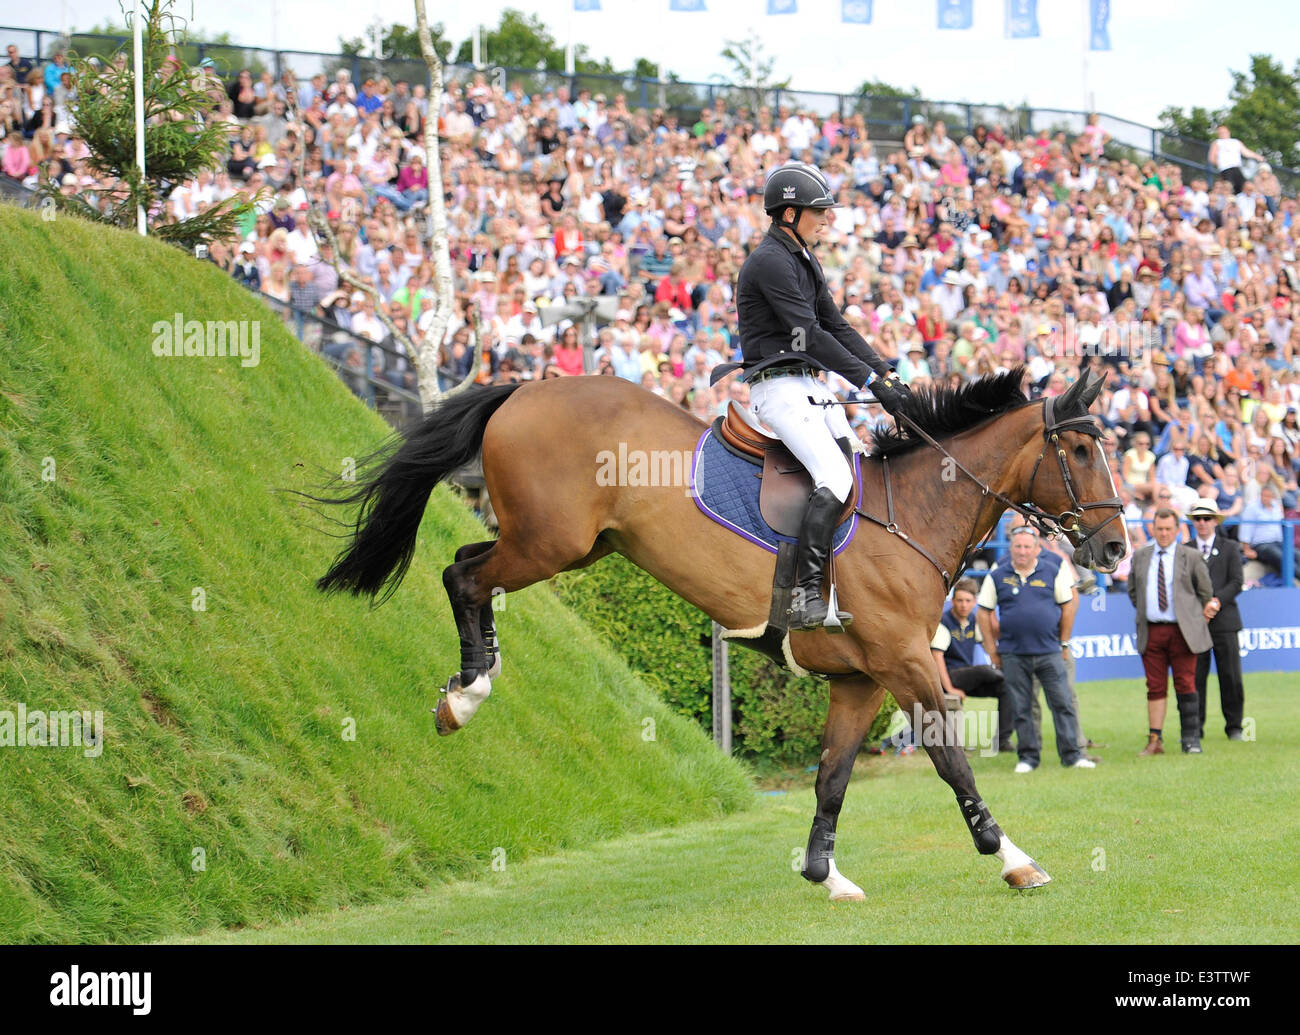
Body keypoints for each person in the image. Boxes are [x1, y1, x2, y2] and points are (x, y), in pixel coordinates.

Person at [732, 162, 911, 630]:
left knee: (853, 466)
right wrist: (868, 383)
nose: (826, 219)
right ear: (789, 213)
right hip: (778, 387)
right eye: (819, 211)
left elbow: (836, 325)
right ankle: (804, 593)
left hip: (808, 384)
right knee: (833, 471)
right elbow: (807, 333)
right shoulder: (770, 260)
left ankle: (837, 587)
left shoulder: (803, 258)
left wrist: (885, 374)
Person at [976, 525, 1094, 772]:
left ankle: (1073, 755)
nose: (1022, 551)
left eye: (1027, 546)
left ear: (1037, 549)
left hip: (1050, 651)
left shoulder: (1053, 570)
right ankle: (1028, 758)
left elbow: (1068, 606)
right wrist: (991, 649)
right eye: (1017, 546)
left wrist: (1063, 642)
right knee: (1022, 707)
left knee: (1062, 703)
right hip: (1013, 653)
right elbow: (984, 612)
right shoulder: (997, 574)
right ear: (1011, 548)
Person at [1127, 507, 1214, 755]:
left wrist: (1195, 616)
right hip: (1152, 630)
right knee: (1154, 686)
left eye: (1168, 529)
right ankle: (1155, 740)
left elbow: (1205, 593)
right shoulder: (1141, 556)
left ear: (1177, 530)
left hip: (1182, 632)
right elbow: (1133, 591)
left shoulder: (1192, 556)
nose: (1163, 533)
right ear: (1152, 529)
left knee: (1185, 683)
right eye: (1159, 529)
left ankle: (1191, 738)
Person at [930, 577, 1015, 753]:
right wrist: (950, 688)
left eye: (968, 601)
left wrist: (1002, 663)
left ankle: (1003, 741)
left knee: (1007, 687)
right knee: (985, 670)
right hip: (948, 678)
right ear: (952, 601)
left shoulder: (974, 621)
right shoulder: (943, 623)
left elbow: (988, 648)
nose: (963, 605)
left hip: (968, 679)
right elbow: (937, 658)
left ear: (974, 602)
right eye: (959, 600)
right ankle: (1002, 674)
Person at [1187, 499, 1247, 741]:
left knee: (1231, 676)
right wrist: (1201, 606)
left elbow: (1236, 581)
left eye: (1207, 518)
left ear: (1215, 521)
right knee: (1195, 678)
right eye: (1198, 518)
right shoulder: (1186, 549)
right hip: (1197, 623)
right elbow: (1183, 585)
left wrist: (1215, 602)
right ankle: (1195, 728)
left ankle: (1235, 727)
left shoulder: (1230, 547)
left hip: (1225, 621)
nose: (1202, 523)